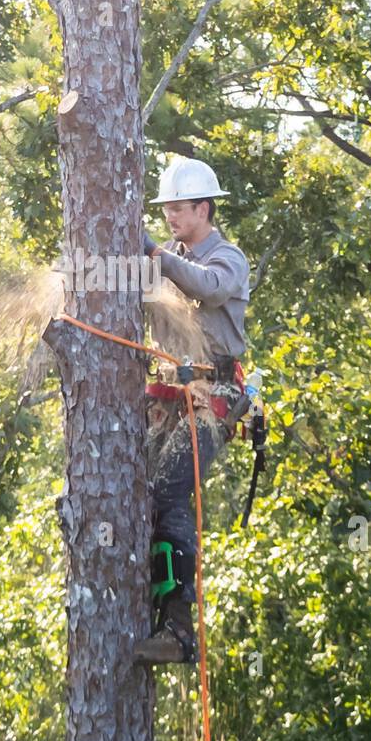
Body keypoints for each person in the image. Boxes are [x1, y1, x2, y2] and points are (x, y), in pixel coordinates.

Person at [134, 157, 250, 665]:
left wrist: (154, 253)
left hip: (214, 397)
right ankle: (149, 606)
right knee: (139, 490)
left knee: (172, 485)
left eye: (178, 208)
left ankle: (181, 633)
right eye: (166, 210)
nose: (170, 218)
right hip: (170, 397)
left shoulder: (228, 259)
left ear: (204, 208)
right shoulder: (169, 257)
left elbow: (205, 286)